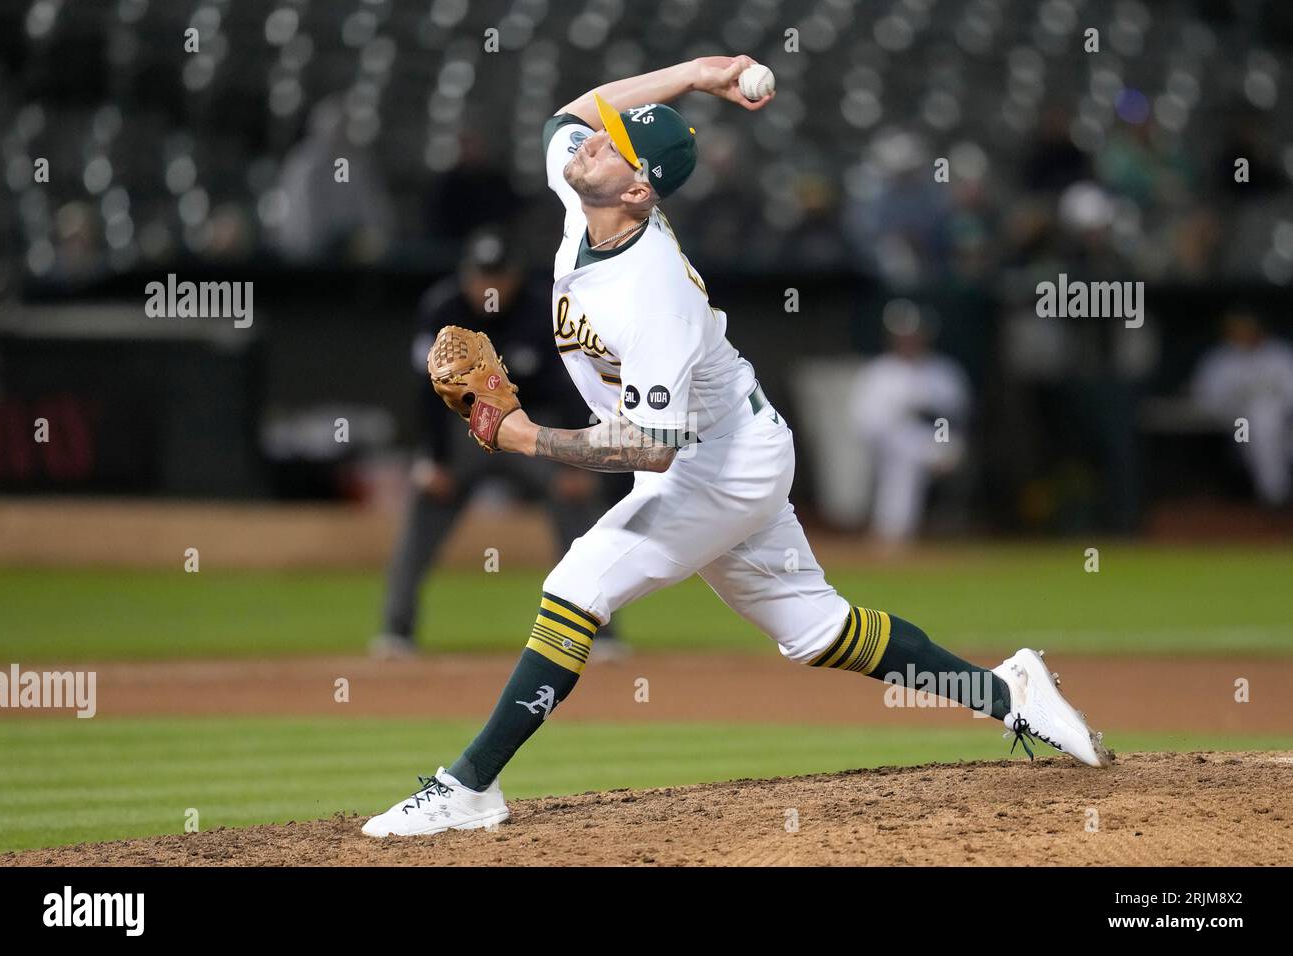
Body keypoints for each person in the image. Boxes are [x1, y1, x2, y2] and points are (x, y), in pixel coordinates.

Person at [362, 55, 1110, 839]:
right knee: (818, 630)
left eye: (609, 145)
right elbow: (573, 112)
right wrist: (695, 74)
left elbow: (649, 450)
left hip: (715, 461)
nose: (588, 143)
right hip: (732, 441)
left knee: (578, 585)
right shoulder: (589, 191)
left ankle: (471, 786)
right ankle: (1010, 693)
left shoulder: (652, 293)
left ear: (639, 190)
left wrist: (524, 436)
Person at [371, 228, 627, 659]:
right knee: (424, 508)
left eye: (498, 275)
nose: (488, 286)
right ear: (466, 274)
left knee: (579, 511)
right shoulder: (443, 308)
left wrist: (578, 464)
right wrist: (433, 459)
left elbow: (573, 385)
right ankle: (397, 630)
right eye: (480, 275)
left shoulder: (544, 308)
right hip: (464, 429)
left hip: (534, 427)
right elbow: (426, 390)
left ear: (516, 276)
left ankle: (601, 633)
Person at [851, 301, 972, 541]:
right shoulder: (878, 372)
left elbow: (958, 417)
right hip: (892, 445)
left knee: (934, 451)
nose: (909, 340)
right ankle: (893, 535)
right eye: (903, 335)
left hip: (939, 443)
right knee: (902, 458)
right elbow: (865, 422)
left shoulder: (944, 371)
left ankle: (911, 532)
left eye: (914, 335)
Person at [1191, 310, 1293, 506]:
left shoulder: (1280, 354)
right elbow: (1206, 399)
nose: (1242, 333)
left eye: (1246, 328)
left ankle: (1276, 497)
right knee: (1261, 420)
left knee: (1270, 424)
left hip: (1285, 421)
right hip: (1238, 425)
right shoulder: (1220, 359)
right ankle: (1275, 498)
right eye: (1236, 328)